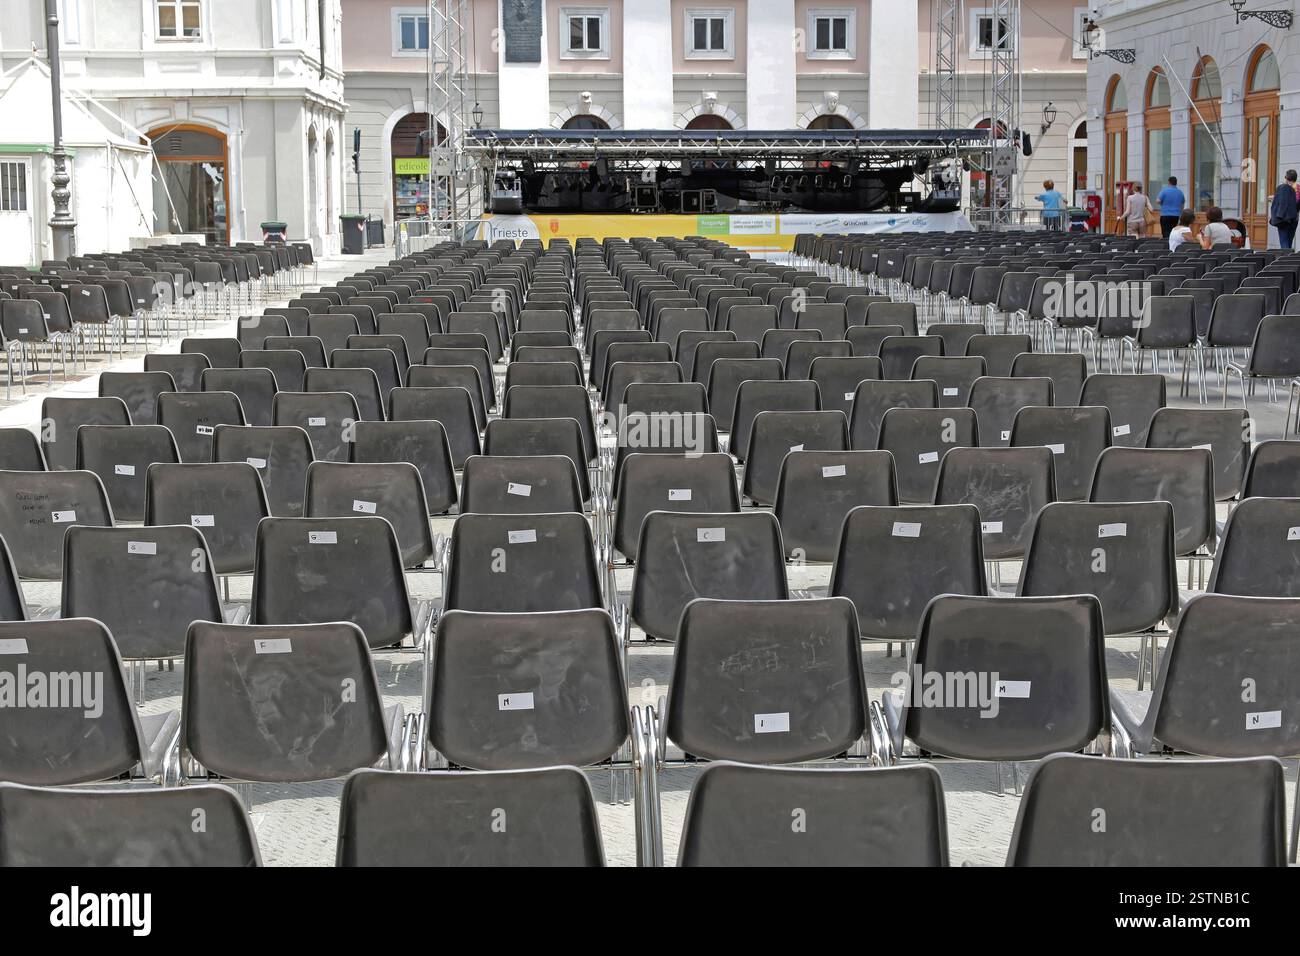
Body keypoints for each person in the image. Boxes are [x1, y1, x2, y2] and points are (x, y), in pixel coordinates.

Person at [1270, 169, 1299, 250]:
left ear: (1286, 178)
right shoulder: (1298, 188)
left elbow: (1281, 203)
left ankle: (1285, 260)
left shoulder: (1282, 188)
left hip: (1283, 219)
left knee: (1284, 242)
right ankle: (1289, 259)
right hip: (1294, 219)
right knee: (1289, 241)